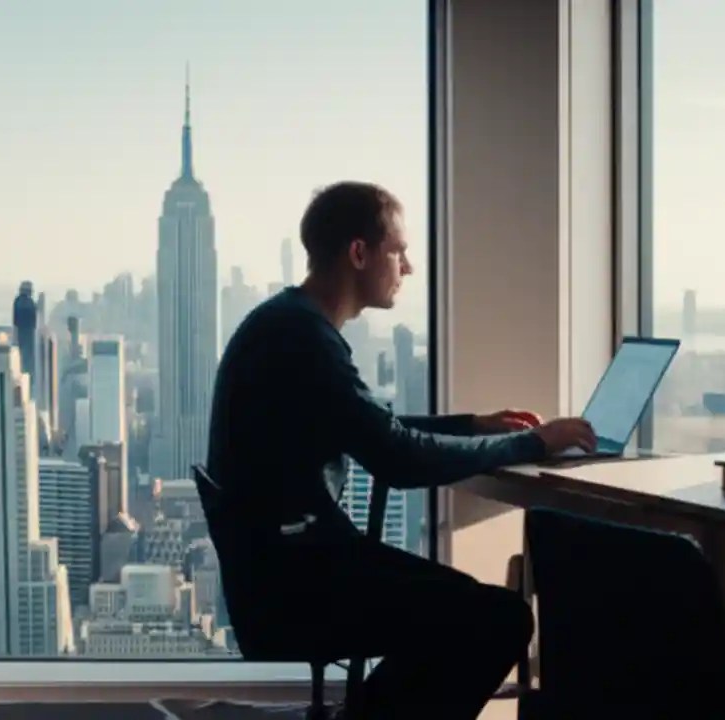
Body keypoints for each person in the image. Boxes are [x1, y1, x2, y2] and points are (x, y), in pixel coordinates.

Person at [205, 180, 597, 719]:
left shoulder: (287, 324)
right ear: (359, 253)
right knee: (498, 619)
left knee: (469, 613)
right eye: (399, 251)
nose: (408, 267)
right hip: (300, 584)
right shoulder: (303, 340)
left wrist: (473, 426)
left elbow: (365, 427)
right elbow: (397, 457)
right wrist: (531, 443)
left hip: (283, 572)